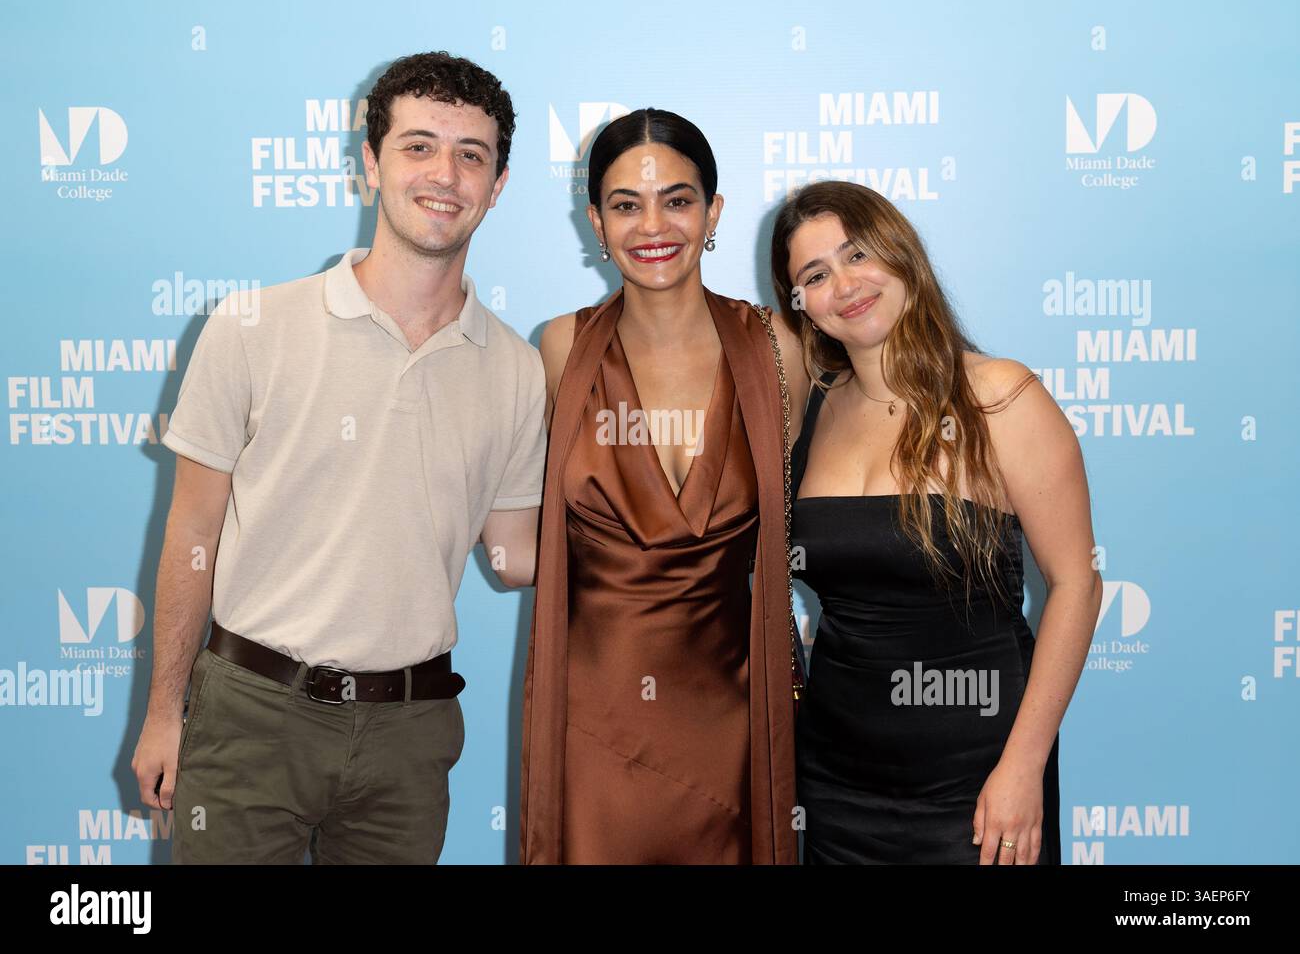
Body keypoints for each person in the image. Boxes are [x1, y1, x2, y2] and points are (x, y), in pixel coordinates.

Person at [130, 51, 547, 864]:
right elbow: (192, 530)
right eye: (419, 146)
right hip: (250, 716)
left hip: (412, 734)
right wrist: (161, 711)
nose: (445, 174)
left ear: (497, 186)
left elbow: (517, 557)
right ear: (370, 165)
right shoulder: (253, 326)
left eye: (472, 155)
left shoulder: (516, 367)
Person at [771, 180, 1101, 864]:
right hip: (834, 780)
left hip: (978, 776)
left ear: (901, 253)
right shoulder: (811, 412)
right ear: (800, 304)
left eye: (858, 254)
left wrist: (1023, 768)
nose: (846, 284)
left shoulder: (999, 396)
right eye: (816, 275)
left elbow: (1076, 586)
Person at [521, 108, 810, 864]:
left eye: (678, 199)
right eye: (626, 204)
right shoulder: (561, 348)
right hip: (594, 721)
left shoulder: (777, 346)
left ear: (714, 211)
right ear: (595, 220)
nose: (654, 225)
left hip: (735, 717)